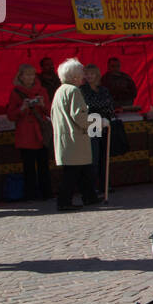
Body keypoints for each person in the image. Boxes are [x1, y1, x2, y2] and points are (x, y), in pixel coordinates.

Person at [50, 59, 99, 210]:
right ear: (74, 76)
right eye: (81, 74)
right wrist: (96, 122)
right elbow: (80, 116)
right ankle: (64, 202)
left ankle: (89, 196)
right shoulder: (73, 91)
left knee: (82, 170)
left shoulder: (61, 90)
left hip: (66, 137)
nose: (83, 77)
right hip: (74, 138)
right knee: (72, 173)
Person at [6, 65, 52, 200]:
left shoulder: (41, 90)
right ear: (20, 76)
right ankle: (31, 195)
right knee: (29, 167)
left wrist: (42, 105)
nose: (30, 78)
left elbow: (50, 111)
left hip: (41, 132)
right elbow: (10, 116)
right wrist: (23, 107)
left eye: (32, 75)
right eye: (26, 75)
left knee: (44, 164)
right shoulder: (15, 92)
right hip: (26, 134)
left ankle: (46, 193)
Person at [80, 65, 115, 197]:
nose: (89, 77)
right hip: (91, 126)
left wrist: (103, 113)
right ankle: (92, 186)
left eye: (92, 74)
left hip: (104, 125)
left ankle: (104, 184)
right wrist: (99, 109)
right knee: (93, 157)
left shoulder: (103, 90)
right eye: (87, 74)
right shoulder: (82, 90)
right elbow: (88, 106)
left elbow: (110, 105)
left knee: (104, 156)